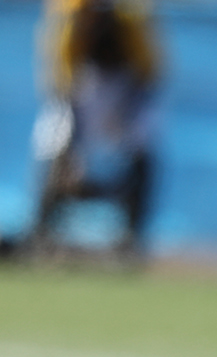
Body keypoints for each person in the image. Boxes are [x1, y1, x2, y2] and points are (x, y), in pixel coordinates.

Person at [26, 0, 162, 263]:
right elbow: (59, 79)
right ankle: (40, 234)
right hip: (81, 84)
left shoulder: (131, 17)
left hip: (126, 86)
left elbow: (151, 72)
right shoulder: (70, 13)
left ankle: (131, 238)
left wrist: (128, 115)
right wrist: (71, 156)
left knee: (143, 146)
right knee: (53, 141)